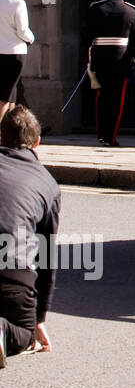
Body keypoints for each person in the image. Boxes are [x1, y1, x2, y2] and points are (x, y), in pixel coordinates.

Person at [0, 106, 60, 367]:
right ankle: (4, 331)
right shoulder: (48, 184)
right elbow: (46, 256)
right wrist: (38, 319)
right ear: (37, 142)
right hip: (12, 276)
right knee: (24, 336)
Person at [85, 0, 135, 147]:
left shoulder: (96, 9)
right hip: (121, 60)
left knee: (101, 97)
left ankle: (101, 134)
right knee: (116, 100)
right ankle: (111, 137)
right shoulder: (132, 12)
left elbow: (87, 35)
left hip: (100, 59)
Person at [0, 0, 34, 123]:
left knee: (11, 93)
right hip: (15, 52)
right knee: (7, 94)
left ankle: (9, 128)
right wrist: (31, 38)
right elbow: (22, 30)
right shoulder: (18, 3)